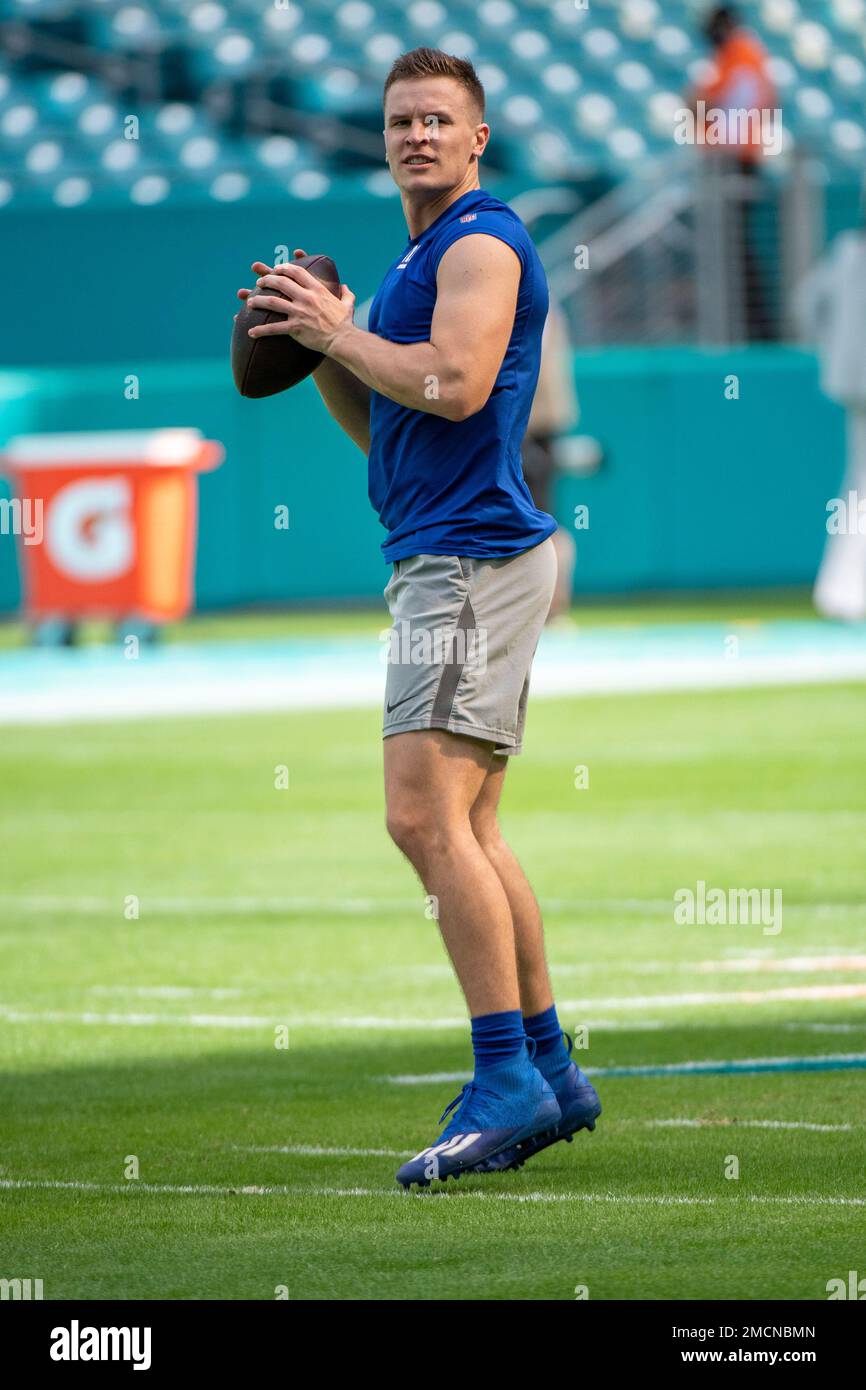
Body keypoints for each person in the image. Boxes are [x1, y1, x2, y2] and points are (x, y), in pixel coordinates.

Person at [237, 46, 601, 1189]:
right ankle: (545, 1064)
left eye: (439, 120)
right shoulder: (415, 259)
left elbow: (450, 380)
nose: (417, 136)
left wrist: (343, 332)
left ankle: (504, 1080)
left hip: (469, 562)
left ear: (477, 137)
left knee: (419, 818)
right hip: (452, 553)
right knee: (472, 828)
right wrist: (323, 335)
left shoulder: (480, 241)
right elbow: (390, 427)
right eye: (401, 120)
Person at [688, 4, 778, 340]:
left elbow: (727, 108)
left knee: (737, 247)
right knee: (733, 248)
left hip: (736, 161)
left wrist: (699, 105)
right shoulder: (736, 56)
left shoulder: (742, 54)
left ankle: (754, 326)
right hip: (733, 159)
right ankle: (747, 325)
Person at [795, 214, 866, 622]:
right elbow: (806, 304)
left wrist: (833, 347)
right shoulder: (845, 251)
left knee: (858, 486)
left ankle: (841, 591)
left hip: (849, 380)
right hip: (855, 381)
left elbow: (805, 305)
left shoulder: (844, 250)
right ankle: (842, 592)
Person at [521, 299, 580, 621]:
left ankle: (553, 606)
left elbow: (529, 362)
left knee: (542, 519)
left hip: (531, 424)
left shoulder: (534, 305)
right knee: (545, 517)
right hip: (541, 422)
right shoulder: (546, 305)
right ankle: (553, 606)